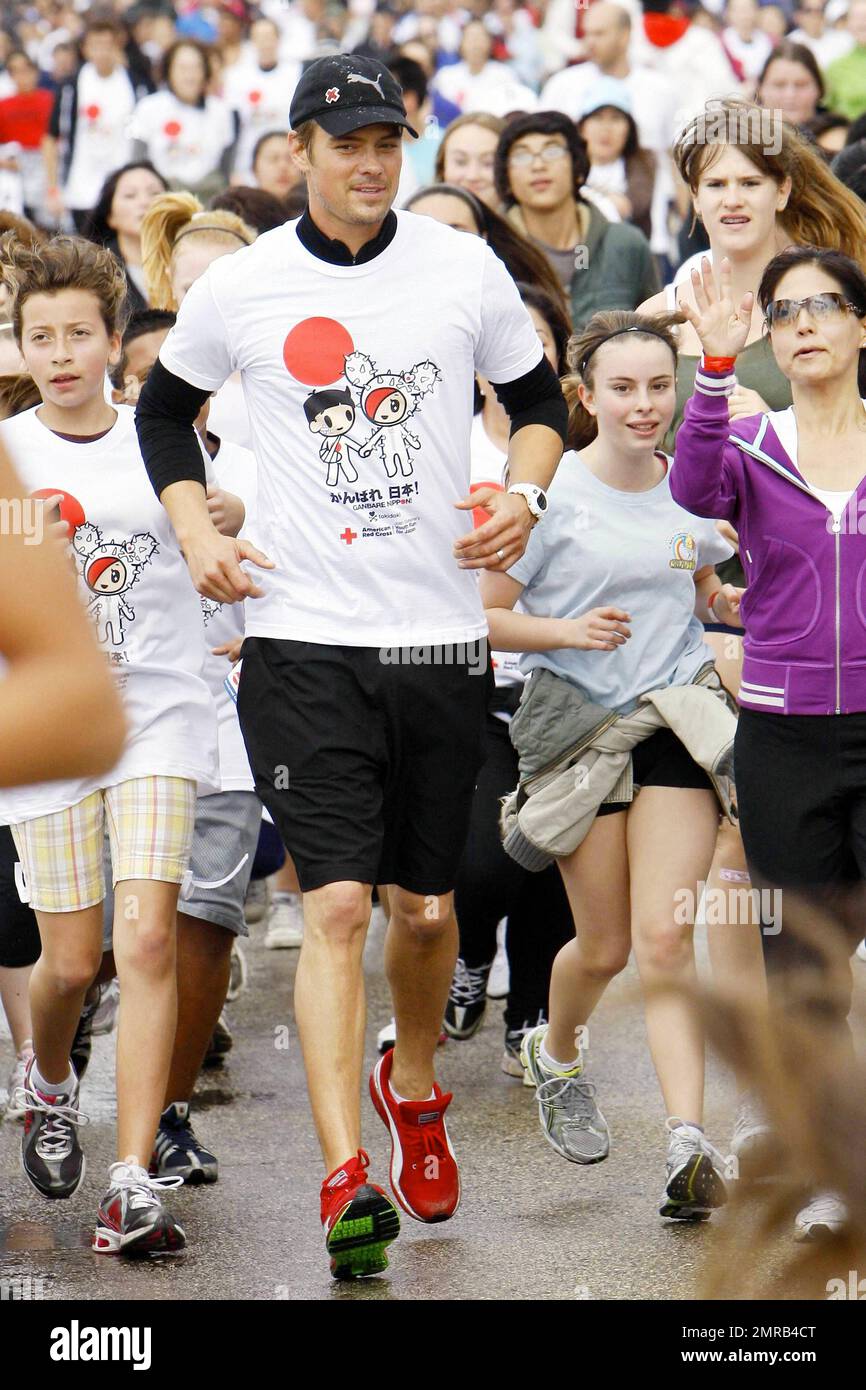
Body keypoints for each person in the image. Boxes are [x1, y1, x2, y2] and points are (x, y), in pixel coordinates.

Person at [135, 52, 567, 1280]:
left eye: (386, 140)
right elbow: (163, 412)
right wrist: (192, 522)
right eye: (345, 143)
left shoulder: (459, 266)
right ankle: (341, 1176)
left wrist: (523, 495)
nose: (369, 162)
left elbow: (539, 398)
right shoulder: (251, 285)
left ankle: (411, 1083)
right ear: (300, 153)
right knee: (333, 904)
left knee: (422, 912)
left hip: (434, 634)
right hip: (300, 635)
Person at [482, 309, 737, 1219]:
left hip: (673, 712)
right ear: (585, 395)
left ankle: (686, 1142)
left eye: (659, 386)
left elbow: (701, 580)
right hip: (579, 726)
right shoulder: (551, 499)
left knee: (668, 938)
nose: (645, 405)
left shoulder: (698, 488)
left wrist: (722, 594)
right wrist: (565, 630)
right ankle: (556, 1052)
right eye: (623, 388)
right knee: (607, 945)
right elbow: (484, 614)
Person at [0, 232, 218, 1254]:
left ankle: (131, 1178)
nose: (60, 352)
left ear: (112, 337)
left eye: (78, 333)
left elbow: (222, 518)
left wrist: (228, 521)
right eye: (39, 336)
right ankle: (46, 1076)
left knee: (144, 942)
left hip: (161, 712)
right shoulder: (8, 460)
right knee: (70, 960)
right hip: (48, 723)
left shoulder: (164, 440)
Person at [671, 248, 866, 1240]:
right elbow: (689, 491)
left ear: (860, 327)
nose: (803, 323)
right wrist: (712, 368)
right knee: (801, 967)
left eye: (826, 305)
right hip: (783, 734)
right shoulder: (752, 446)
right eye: (783, 310)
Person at [443, 280, 575, 1074]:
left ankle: (529, 1016)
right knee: (482, 861)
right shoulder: (441, 443)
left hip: (566, 686)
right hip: (464, 676)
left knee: (551, 856)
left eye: (540, 341)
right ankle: (465, 960)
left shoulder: (581, 448)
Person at [494, 110, 659, 330]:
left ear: (578, 166)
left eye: (552, 151)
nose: (538, 166)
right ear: (506, 177)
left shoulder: (625, 244)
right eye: (522, 156)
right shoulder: (491, 252)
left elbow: (657, 334)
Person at [140, 191, 255, 446]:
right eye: (191, 290)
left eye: (222, 291)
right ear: (170, 280)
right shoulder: (147, 362)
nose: (208, 306)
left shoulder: (269, 358)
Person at [42, 15, 148, 232]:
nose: (102, 52)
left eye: (107, 45)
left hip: (122, 187)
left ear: (117, 45)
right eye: (95, 45)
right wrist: (53, 188)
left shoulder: (136, 85)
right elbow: (51, 137)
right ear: (85, 48)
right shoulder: (71, 87)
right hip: (80, 189)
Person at [404, 182, 570, 316]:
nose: (443, 243)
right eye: (429, 232)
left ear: (483, 238)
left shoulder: (520, 308)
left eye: (457, 231)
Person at [540, 2, 679, 157]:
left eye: (599, 34)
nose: (590, 42)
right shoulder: (562, 85)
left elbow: (674, 151)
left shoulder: (659, 88)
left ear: (624, 35)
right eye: (587, 34)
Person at [127, 39, 236, 201]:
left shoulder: (221, 110)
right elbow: (137, 162)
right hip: (164, 197)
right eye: (182, 68)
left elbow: (226, 166)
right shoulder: (149, 107)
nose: (189, 75)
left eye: (196, 67)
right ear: (169, 70)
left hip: (209, 197)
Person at [575, 79, 660, 246]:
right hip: (580, 252)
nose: (606, 128)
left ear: (629, 128)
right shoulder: (569, 165)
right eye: (597, 118)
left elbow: (629, 206)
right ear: (582, 126)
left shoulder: (642, 162)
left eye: (616, 118)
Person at [81, 161, 169, 315]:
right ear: (110, 215)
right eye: (130, 195)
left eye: (154, 193)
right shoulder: (94, 271)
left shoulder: (188, 260)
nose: (144, 202)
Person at [222, 16, 301, 183]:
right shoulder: (235, 77)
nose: (265, 43)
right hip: (249, 159)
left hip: (286, 157)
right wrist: (232, 169)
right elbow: (233, 126)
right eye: (259, 37)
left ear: (278, 39)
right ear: (252, 42)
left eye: (269, 36)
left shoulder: (296, 72)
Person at [431, 18, 537, 117]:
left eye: (480, 37)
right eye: (470, 37)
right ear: (461, 43)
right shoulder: (445, 76)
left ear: (490, 43)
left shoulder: (505, 74)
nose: (475, 43)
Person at [0, 50, 53, 220]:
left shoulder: (51, 100)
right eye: (15, 71)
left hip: (46, 167)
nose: (22, 76)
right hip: (13, 171)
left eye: (26, 69)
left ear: (35, 71)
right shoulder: (4, 105)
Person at [433, 111, 504, 209]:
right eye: (460, 162)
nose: (472, 176)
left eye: (488, 163)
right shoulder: (421, 222)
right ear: (442, 167)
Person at [756, 41, 826, 132]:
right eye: (779, 85)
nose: (790, 94)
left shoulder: (838, 139)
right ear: (760, 89)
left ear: (819, 89)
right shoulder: (741, 138)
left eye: (801, 85)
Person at [825, 0, 866, 121]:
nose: (863, 22)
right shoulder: (835, 67)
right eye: (857, 17)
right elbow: (830, 110)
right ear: (847, 23)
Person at [789, 0, 854, 70]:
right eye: (808, 10)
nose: (815, 15)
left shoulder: (842, 39)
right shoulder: (791, 42)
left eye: (819, 10)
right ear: (798, 16)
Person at [251, 128, 303, 205]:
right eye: (273, 158)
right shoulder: (241, 213)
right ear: (254, 168)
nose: (283, 166)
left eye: (290, 159)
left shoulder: (316, 214)